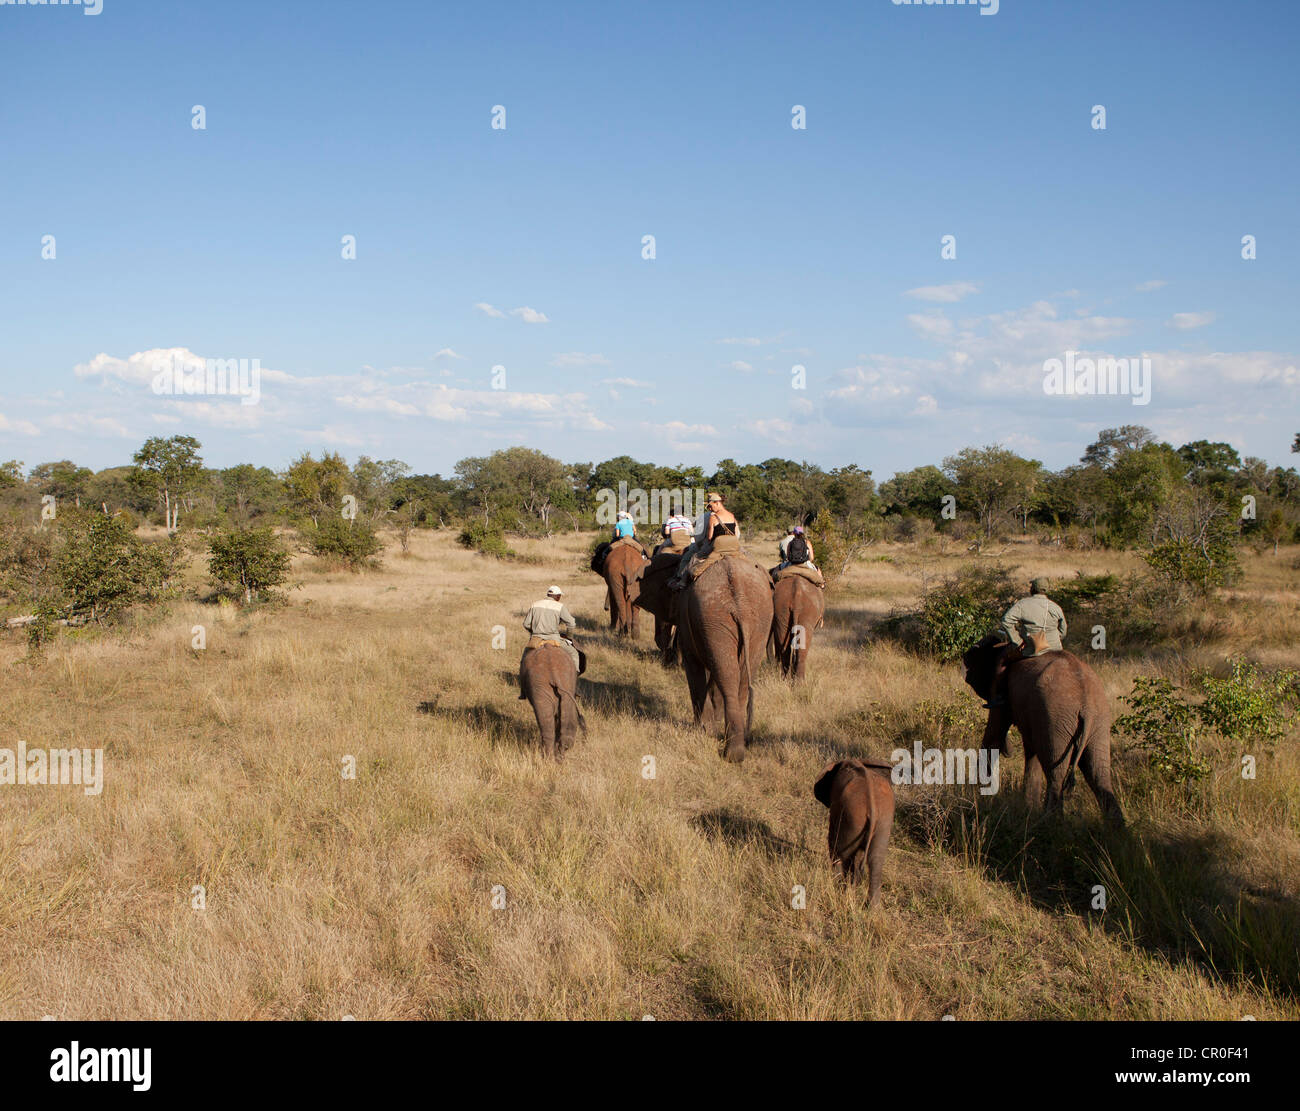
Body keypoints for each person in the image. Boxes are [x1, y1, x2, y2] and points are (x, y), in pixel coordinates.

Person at [985, 578, 1066, 709]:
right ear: (1046, 590)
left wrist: (1016, 640)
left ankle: (1000, 696)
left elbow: (1006, 621)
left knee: (1002, 661)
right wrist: (1054, 640)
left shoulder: (1023, 604)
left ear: (1032, 589)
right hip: (1056, 649)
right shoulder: (1055, 607)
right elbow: (1063, 631)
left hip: (1031, 648)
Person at [669, 492, 738, 589]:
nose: (710, 509)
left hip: (716, 547)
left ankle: (682, 581)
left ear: (717, 503)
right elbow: (736, 533)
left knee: (693, 558)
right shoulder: (732, 515)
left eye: (710, 506)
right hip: (733, 546)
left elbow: (708, 538)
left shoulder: (712, 517)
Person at [520, 586, 581, 689]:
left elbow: (526, 624)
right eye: (560, 596)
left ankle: (523, 688)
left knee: (524, 660)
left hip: (536, 639)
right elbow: (571, 623)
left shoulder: (535, 604)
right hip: (554, 639)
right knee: (573, 653)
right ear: (557, 596)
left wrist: (534, 633)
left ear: (548, 594)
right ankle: (573, 680)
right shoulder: (559, 606)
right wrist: (569, 637)